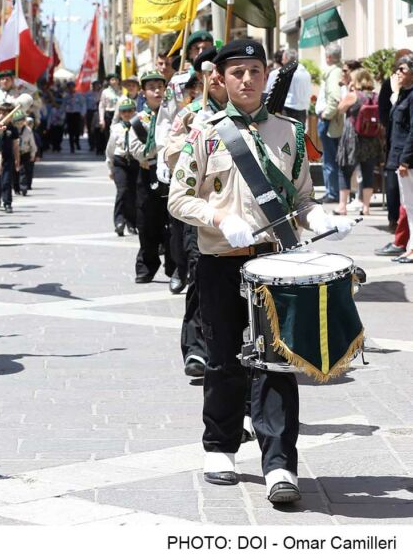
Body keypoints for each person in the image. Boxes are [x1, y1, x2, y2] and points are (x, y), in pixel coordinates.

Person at [168, 39, 354, 505]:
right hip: (220, 261)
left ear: (266, 74)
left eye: (254, 70)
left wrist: (320, 219)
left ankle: (279, 464)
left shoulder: (289, 133)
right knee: (225, 358)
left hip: (275, 263)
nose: (246, 80)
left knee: (277, 363)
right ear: (222, 80)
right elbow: (179, 197)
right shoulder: (206, 133)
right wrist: (218, 218)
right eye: (237, 72)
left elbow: (303, 199)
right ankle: (221, 447)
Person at [162, 48, 226, 377]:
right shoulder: (190, 113)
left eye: (221, 72)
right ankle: (196, 349)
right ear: (202, 78)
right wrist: (191, 138)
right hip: (199, 213)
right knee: (199, 278)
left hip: (237, 217)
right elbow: (169, 154)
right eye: (210, 73)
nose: (215, 78)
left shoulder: (245, 113)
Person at [130, 70, 176, 284]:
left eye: (160, 86)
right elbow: (136, 149)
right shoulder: (140, 120)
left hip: (172, 176)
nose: (157, 91)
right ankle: (146, 265)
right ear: (143, 93)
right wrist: (158, 150)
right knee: (146, 223)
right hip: (148, 174)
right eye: (151, 87)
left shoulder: (174, 115)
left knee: (173, 224)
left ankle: (174, 267)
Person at [335, 68, 382, 218]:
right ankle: (366, 207)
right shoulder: (376, 96)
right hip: (371, 138)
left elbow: (341, 109)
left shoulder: (353, 95)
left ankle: (342, 206)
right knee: (368, 172)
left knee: (345, 171)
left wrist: (348, 90)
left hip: (352, 137)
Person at [385, 55, 413, 263]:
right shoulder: (403, 94)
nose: (398, 74)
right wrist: (395, 93)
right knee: (409, 206)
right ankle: (410, 248)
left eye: (402, 70)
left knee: (411, 206)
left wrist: (405, 160)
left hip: (407, 160)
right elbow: (394, 122)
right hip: (399, 157)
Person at [105, 98, 139, 236]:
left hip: (136, 161)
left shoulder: (139, 125)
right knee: (122, 191)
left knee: (133, 194)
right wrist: (110, 167)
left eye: (130, 111)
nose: (127, 114)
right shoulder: (116, 128)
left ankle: (132, 223)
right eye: (124, 111)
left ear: (134, 111)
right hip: (120, 161)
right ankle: (119, 221)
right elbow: (110, 149)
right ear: (120, 113)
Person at [316, 43, 345, 203]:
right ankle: (334, 192)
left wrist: (326, 116)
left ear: (328, 57)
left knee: (329, 158)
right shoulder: (338, 71)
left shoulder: (334, 73)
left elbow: (334, 98)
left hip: (329, 122)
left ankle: (332, 193)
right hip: (333, 121)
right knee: (333, 158)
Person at [266, 49, 312, 124]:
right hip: (302, 111)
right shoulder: (306, 73)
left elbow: (268, 91)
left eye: (283, 59)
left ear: (287, 59)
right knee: (299, 135)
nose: (282, 62)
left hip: (286, 110)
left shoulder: (278, 73)